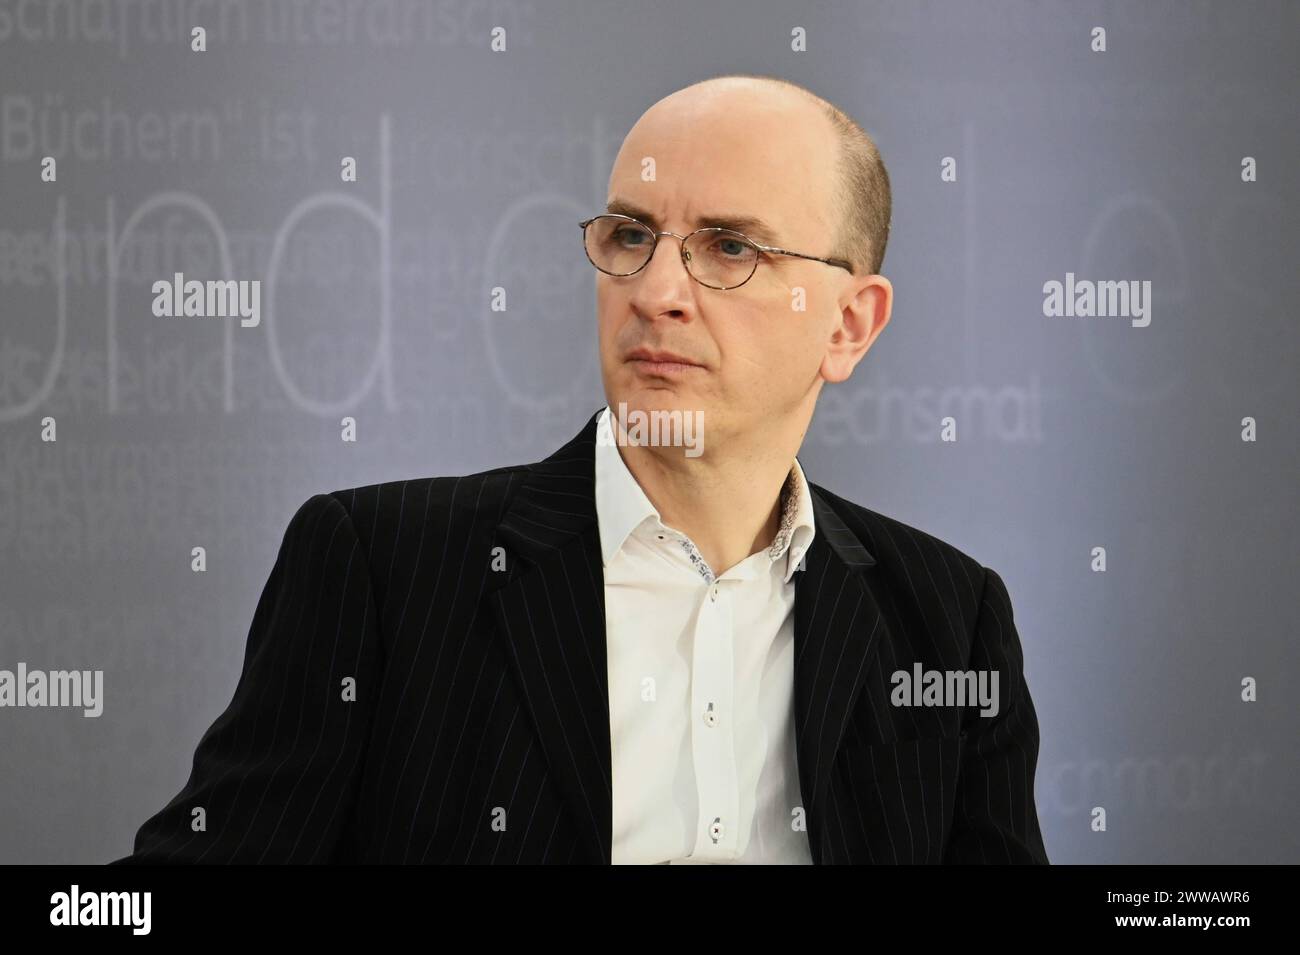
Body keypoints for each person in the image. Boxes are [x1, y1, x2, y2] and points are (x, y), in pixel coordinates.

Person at [113, 73, 1047, 865]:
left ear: (849, 324)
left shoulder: (948, 621)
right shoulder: (383, 569)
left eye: (729, 248)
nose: (658, 292)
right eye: (631, 237)